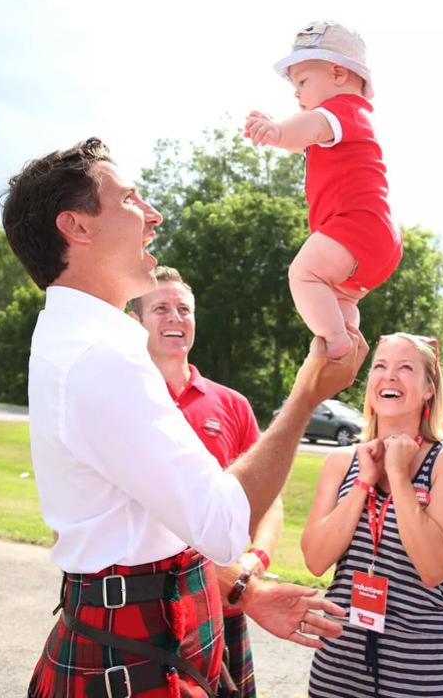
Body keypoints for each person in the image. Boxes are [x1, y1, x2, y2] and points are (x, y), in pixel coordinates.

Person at [0, 137, 367, 698]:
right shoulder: (100, 357)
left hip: (144, 629)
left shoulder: (84, 339)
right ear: (76, 227)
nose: (154, 214)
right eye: (130, 200)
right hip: (138, 646)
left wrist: (244, 591)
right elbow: (222, 526)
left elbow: (160, 521)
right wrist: (305, 395)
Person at [131, 266, 284, 697]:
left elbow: (268, 498)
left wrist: (257, 560)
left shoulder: (231, 403)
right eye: (160, 308)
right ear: (135, 322)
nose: (175, 318)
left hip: (224, 602)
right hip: (146, 603)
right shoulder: (125, 398)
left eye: (184, 309)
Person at [301, 333, 443, 697]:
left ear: (429, 388)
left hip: (418, 669)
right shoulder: (342, 462)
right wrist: (364, 482)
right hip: (339, 663)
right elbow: (316, 559)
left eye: (405, 368)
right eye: (380, 366)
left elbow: (433, 567)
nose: (389, 377)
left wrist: (398, 476)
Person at [244, 20, 402, 360]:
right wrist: (281, 131)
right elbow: (303, 135)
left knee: (303, 274)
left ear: (338, 74)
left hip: (356, 225)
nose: (297, 93)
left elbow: (307, 128)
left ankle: (336, 343)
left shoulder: (341, 111)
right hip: (377, 239)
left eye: (302, 81)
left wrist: (274, 130)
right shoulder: (348, 120)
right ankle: (347, 344)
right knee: (338, 296)